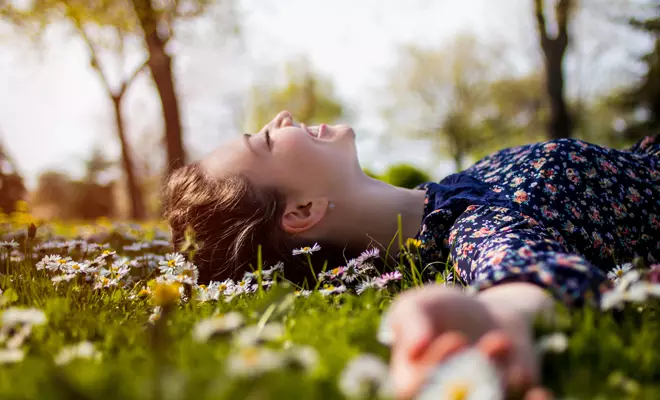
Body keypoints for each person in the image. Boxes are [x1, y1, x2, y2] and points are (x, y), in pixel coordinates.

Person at [163, 110, 660, 399]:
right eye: (268, 139)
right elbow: (518, 273)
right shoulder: (470, 227)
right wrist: (496, 320)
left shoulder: (452, 191)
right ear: (301, 212)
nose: (283, 117)